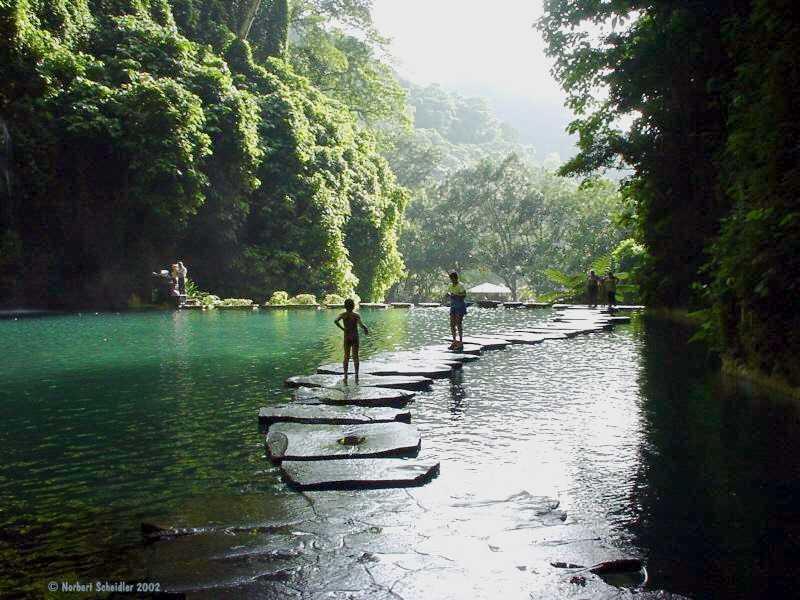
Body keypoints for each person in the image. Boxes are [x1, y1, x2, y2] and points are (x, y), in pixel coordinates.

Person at [334, 299, 369, 384]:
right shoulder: (356, 315)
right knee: (355, 356)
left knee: (346, 356)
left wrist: (343, 329)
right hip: (355, 337)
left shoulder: (343, 315)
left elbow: (335, 321)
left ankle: (345, 375)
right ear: (353, 306)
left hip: (347, 337)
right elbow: (361, 325)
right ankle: (356, 374)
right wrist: (365, 329)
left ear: (345, 306)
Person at [447, 271, 467, 350]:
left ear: (456, 278)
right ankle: (454, 341)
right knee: (452, 324)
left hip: (460, 306)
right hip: (453, 306)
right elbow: (449, 293)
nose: (452, 280)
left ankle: (461, 342)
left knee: (458, 323)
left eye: (453, 279)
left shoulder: (460, 285)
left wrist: (456, 295)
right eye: (451, 279)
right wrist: (448, 296)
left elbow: (464, 295)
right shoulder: (450, 286)